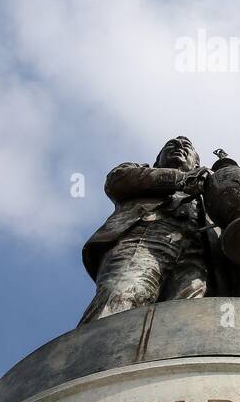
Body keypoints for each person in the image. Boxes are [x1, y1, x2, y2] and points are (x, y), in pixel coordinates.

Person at [78, 136, 211, 324]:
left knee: (186, 319)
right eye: (171, 145)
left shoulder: (209, 187)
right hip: (145, 237)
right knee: (122, 298)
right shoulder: (141, 171)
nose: (179, 147)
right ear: (158, 161)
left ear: (197, 163)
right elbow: (118, 180)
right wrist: (180, 179)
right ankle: (91, 351)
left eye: (186, 147)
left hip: (197, 254)